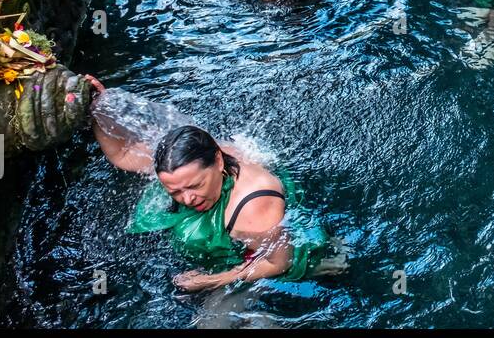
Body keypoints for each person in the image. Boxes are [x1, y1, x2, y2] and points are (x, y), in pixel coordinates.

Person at [95, 112, 324, 289]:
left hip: (265, 258)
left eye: (195, 186)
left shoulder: (253, 205)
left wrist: (211, 281)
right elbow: (123, 154)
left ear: (219, 161)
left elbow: (279, 262)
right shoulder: (179, 162)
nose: (186, 199)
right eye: (174, 191)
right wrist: (96, 109)